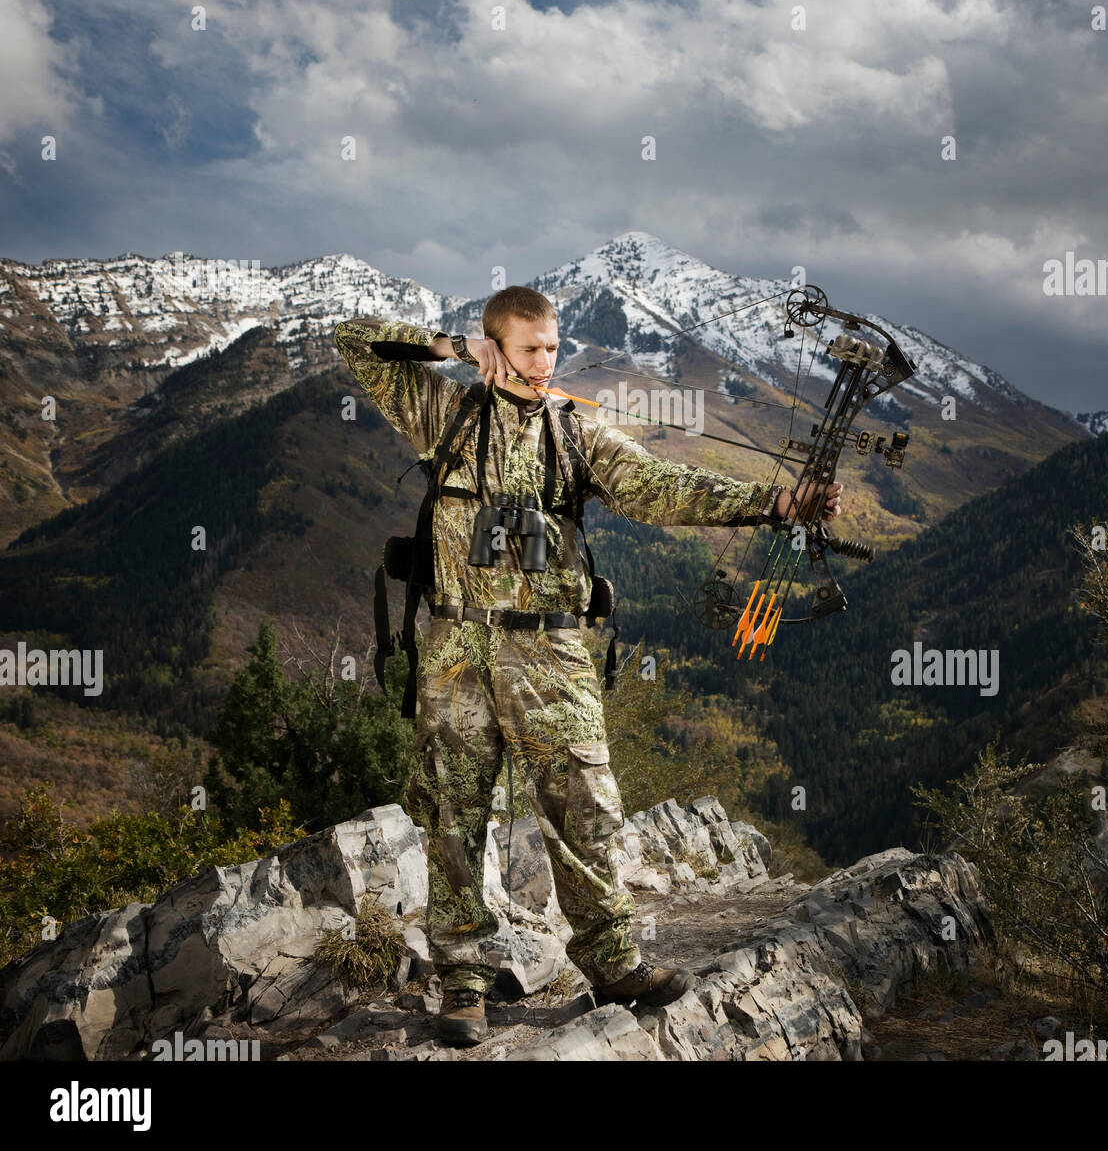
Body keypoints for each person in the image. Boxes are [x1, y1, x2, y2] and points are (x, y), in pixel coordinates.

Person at [333, 285, 841, 1045]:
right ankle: (463, 982)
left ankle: (612, 960)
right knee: (453, 814)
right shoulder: (445, 412)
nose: (546, 362)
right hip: (454, 651)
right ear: (494, 347)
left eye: (552, 347)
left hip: (551, 649)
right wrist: (447, 348)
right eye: (530, 348)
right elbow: (349, 338)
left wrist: (776, 505)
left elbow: (662, 488)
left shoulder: (577, 435)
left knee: (585, 807)